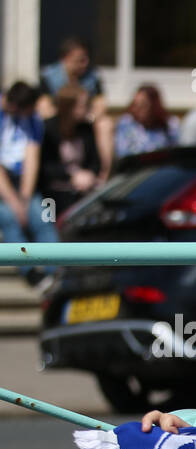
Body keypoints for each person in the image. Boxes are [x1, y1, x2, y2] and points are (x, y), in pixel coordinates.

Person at [0, 81, 59, 288]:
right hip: (2, 186)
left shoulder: (32, 119)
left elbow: (32, 157)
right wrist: (15, 203)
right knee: (8, 218)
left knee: (42, 215)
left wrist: (24, 197)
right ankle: (31, 273)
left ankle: (57, 270)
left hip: (21, 182)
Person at [37, 38, 113, 177]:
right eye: (80, 60)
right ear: (65, 59)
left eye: (86, 59)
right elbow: (44, 106)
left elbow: (101, 104)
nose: (85, 63)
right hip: (60, 123)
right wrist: (68, 116)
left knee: (105, 124)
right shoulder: (49, 76)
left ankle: (103, 176)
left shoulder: (92, 76)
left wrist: (87, 117)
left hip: (84, 123)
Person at [38, 84, 102, 218]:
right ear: (69, 107)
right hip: (53, 192)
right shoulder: (48, 129)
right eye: (83, 105)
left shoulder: (86, 129)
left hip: (83, 189)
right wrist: (72, 176)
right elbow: (46, 167)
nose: (88, 109)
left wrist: (89, 175)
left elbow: (95, 162)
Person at [112, 84, 179, 160]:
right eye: (135, 105)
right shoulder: (126, 123)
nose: (137, 109)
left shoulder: (169, 124)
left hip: (162, 168)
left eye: (143, 105)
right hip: (135, 168)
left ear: (154, 106)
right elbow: (123, 155)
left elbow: (176, 153)